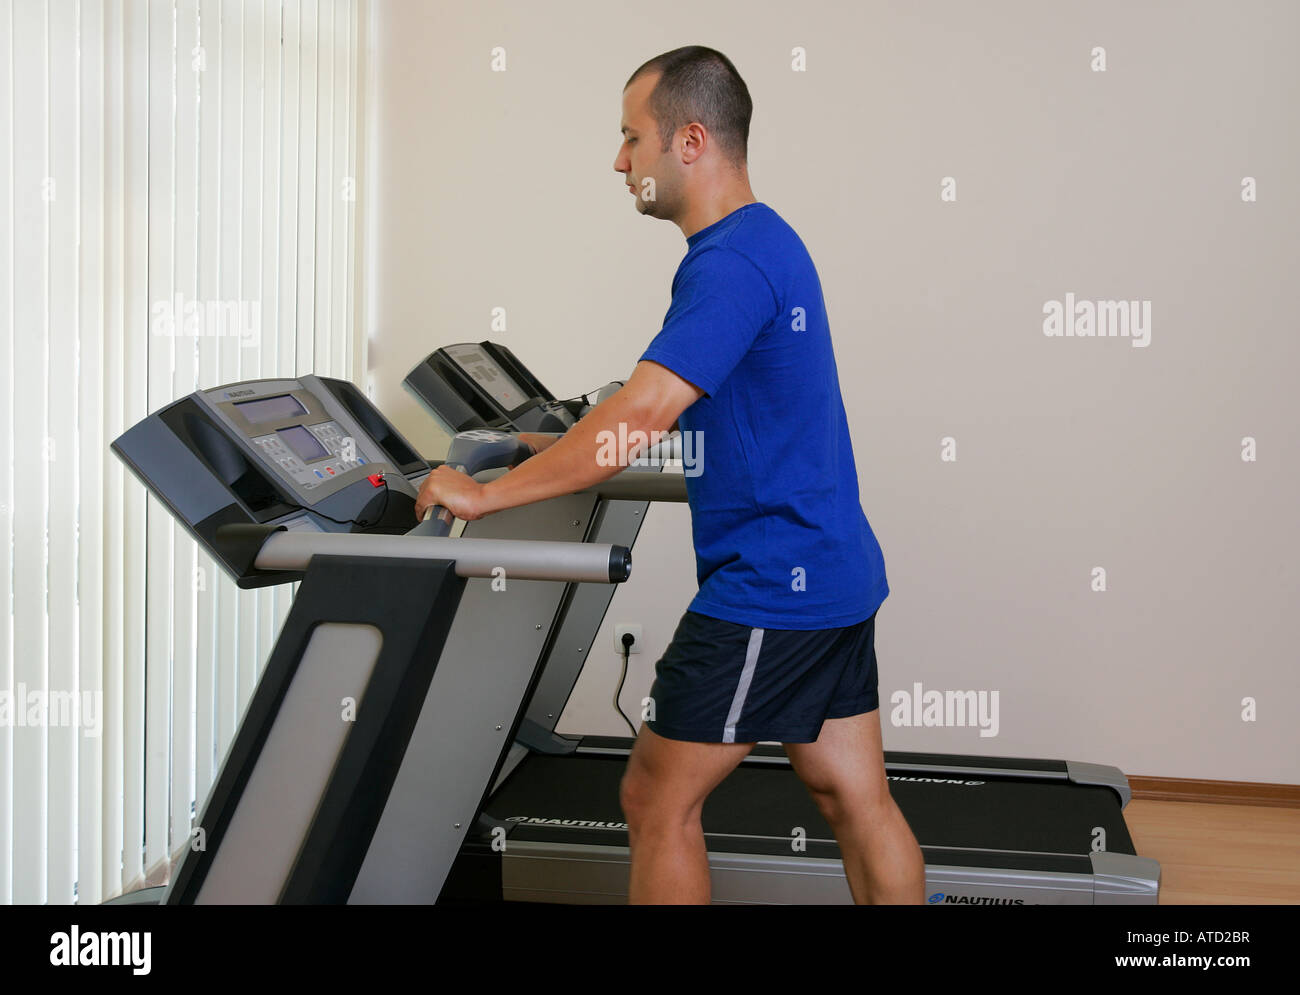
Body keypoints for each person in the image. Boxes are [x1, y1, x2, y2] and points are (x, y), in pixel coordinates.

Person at [414, 45, 924, 905]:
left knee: (655, 795)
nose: (619, 161)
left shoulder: (727, 265)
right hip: (833, 571)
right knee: (854, 796)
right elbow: (680, 419)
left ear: (689, 141)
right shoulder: (760, 242)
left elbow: (644, 414)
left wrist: (485, 494)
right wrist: (543, 449)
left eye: (630, 138)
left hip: (771, 587)